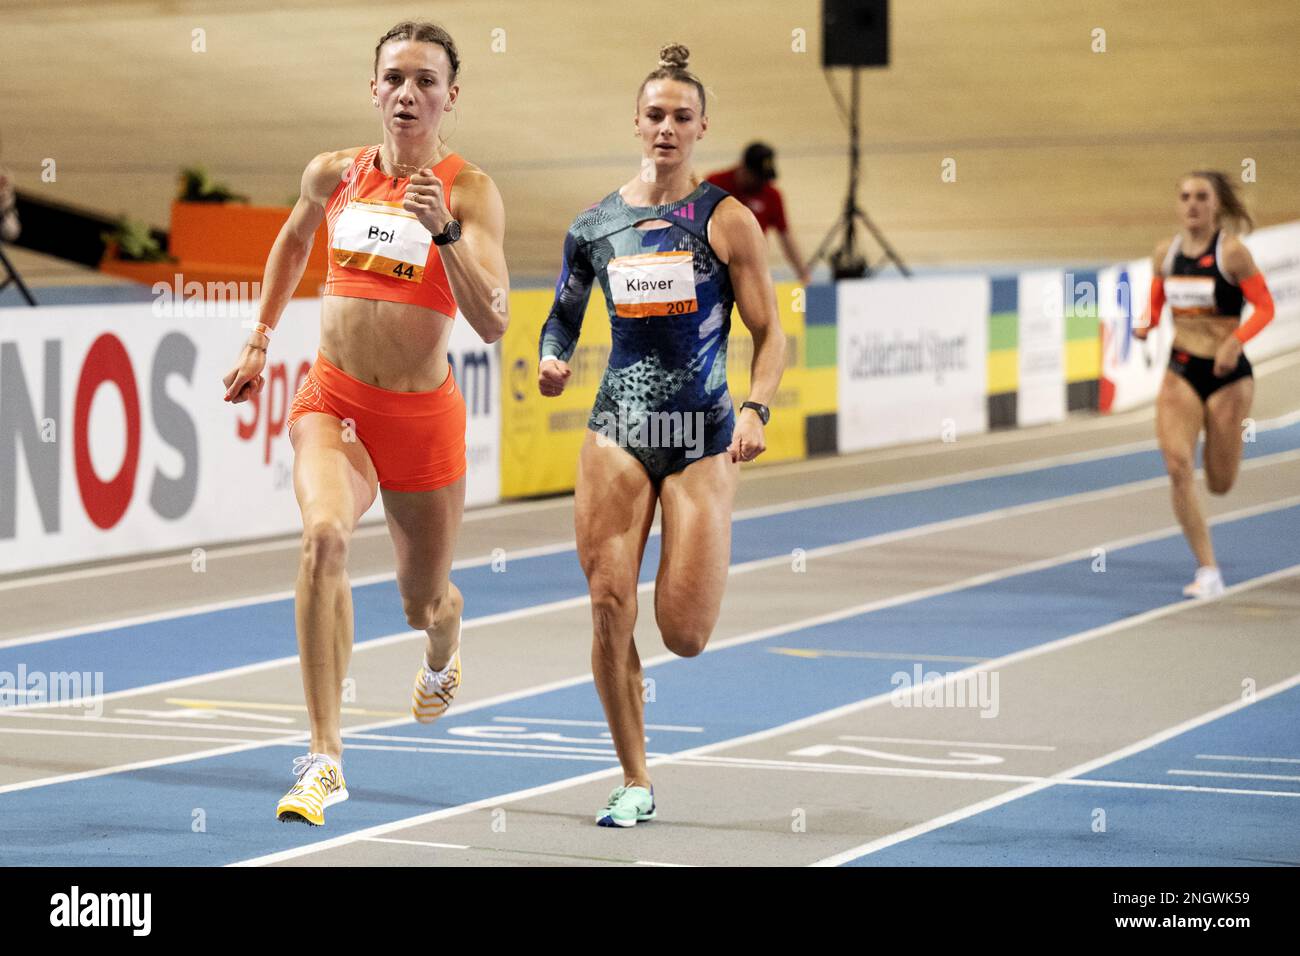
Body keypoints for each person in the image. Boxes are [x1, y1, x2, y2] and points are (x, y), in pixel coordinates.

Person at [221, 20, 509, 826]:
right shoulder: (334, 172)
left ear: (451, 96)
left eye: (426, 80)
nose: (408, 92)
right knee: (324, 539)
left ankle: (444, 643)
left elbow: (493, 322)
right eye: (394, 78)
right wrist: (259, 338)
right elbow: (291, 240)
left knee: (422, 601)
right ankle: (324, 758)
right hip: (335, 401)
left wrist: (443, 232)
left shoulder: (470, 191)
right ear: (373, 89)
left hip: (420, 420)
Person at [537, 43, 785, 827]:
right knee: (610, 604)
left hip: (702, 433)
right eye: (654, 115)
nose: (666, 128)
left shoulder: (726, 220)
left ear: (702, 126)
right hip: (617, 427)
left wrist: (756, 409)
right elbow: (563, 315)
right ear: (636, 123)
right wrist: (551, 359)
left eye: (681, 116)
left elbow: (771, 332)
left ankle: (644, 747)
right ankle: (634, 776)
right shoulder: (596, 226)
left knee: (684, 634)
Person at [1136, 171, 1275, 598]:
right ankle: (1208, 570)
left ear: (1216, 205)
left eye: (1201, 197)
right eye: (1185, 197)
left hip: (1227, 377)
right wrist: (1147, 322)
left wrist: (1236, 341)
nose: (1192, 204)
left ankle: (1225, 451)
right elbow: (1159, 298)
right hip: (1181, 368)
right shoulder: (1166, 253)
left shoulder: (1232, 254)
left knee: (1218, 481)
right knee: (1178, 467)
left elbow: (1265, 307)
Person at [707, 142, 811, 285]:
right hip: (716, 264)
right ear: (744, 167)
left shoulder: (772, 195)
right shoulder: (716, 184)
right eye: (758, 176)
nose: (762, 182)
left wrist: (803, 273)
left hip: (751, 267)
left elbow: (786, 237)